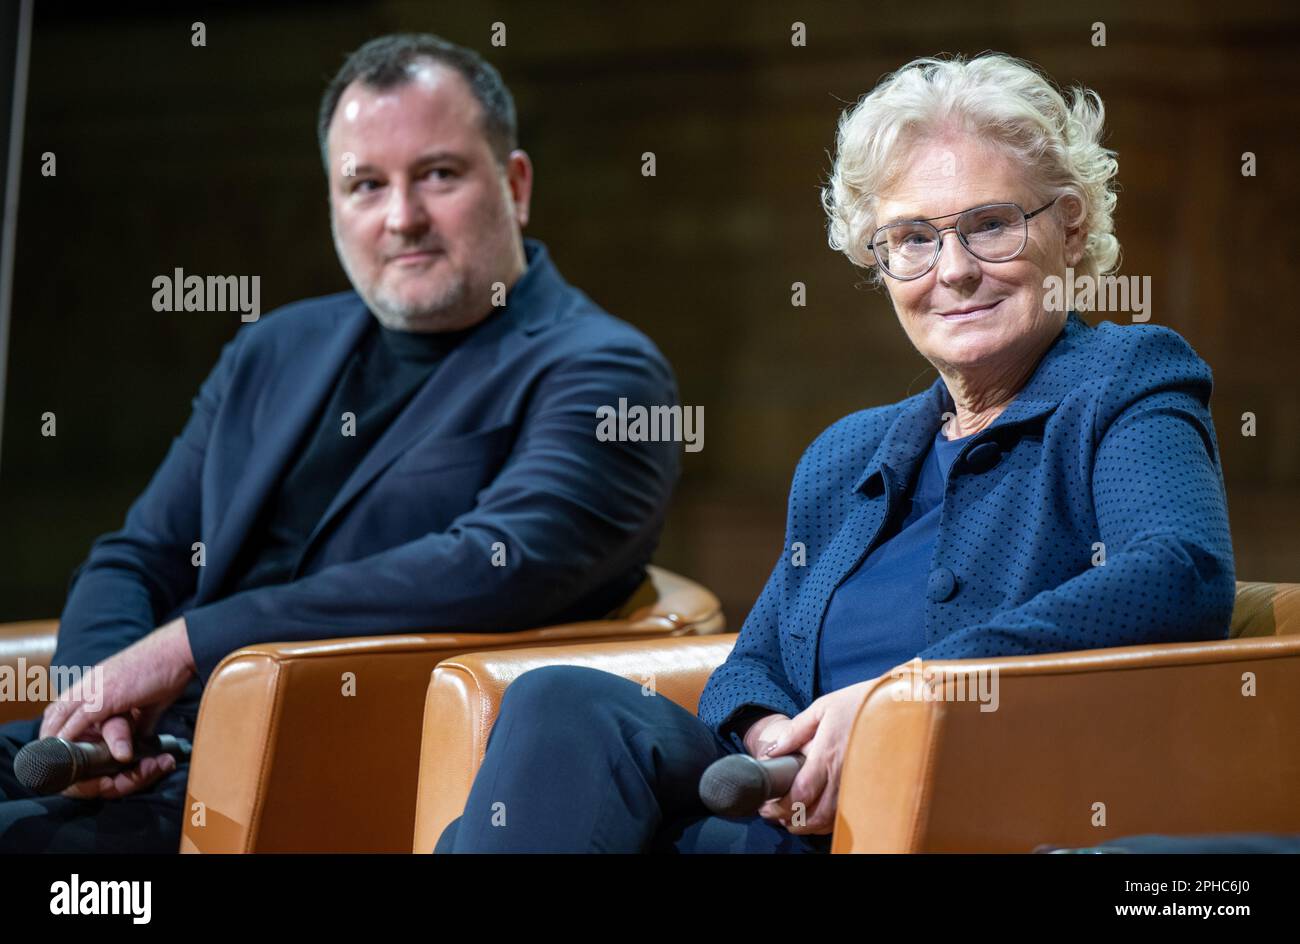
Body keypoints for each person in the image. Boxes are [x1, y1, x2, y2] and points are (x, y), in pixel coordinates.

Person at [435, 52, 1236, 853]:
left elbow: (1178, 572)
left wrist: (903, 701)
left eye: (991, 224)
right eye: (912, 238)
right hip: (786, 809)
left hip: (964, 808)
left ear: (1070, 225)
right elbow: (754, 664)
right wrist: (770, 736)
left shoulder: (1125, 380)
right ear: (878, 261)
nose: (953, 271)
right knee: (556, 703)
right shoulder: (846, 453)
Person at [0, 33, 680, 852]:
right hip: (139, 760)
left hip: (320, 779)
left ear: (516, 183)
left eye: (438, 174)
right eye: (366, 184)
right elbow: (137, 552)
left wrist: (191, 645)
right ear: (332, 201)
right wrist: (96, 703)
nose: (402, 218)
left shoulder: (604, 370)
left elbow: (496, 563)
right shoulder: (274, 348)